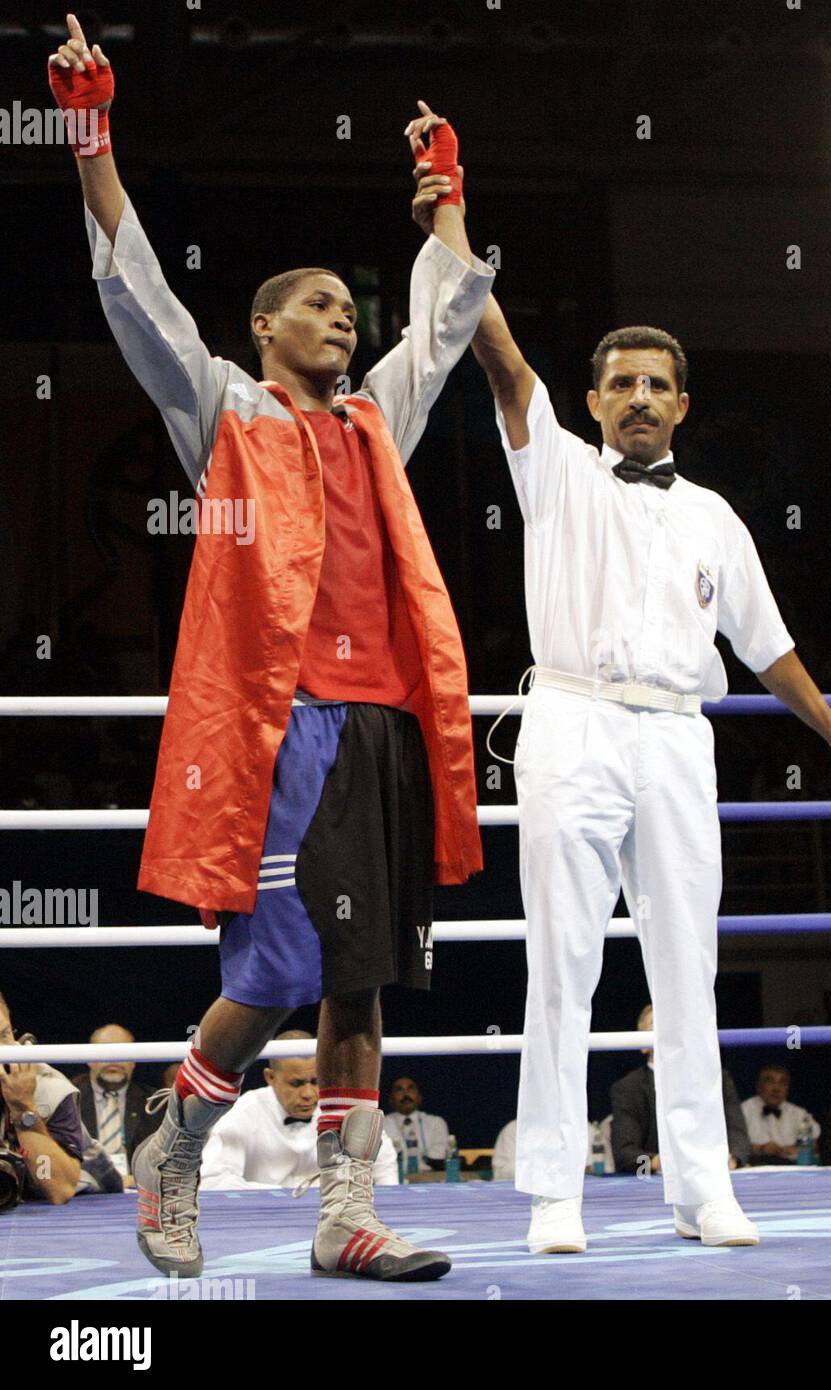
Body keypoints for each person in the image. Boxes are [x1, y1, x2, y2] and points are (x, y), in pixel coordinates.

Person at [51, 15, 494, 1280]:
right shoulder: (223, 414)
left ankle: (342, 1216)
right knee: (281, 970)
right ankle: (173, 1147)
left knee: (361, 985)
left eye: (349, 307)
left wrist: (445, 199)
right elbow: (131, 290)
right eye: (315, 305)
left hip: (385, 722)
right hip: (284, 722)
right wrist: (89, 129)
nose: (342, 320)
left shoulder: (371, 424)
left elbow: (444, 322)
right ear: (260, 329)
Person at [470, 228, 831, 1254]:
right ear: (597, 398)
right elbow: (503, 363)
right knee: (560, 963)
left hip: (673, 736)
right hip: (570, 720)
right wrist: (454, 230)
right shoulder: (556, 470)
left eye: (658, 384)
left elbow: (768, 649)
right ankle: (555, 1194)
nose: (641, 397)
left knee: (685, 966)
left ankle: (703, 1186)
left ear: (682, 404)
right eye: (622, 384)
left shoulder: (713, 517)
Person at [201, 1032, 397, 1189]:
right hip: (265, 1220)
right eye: (297, 1083)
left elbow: (383, 1159)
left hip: (331, 1218)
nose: (308, 1094)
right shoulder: (243, 1113)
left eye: (315, 1081)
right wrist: (279, 1198)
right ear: (270, 1077)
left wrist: (390, 1206)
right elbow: (214, 1180)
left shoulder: (340, 1106)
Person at [609, 1006, 749, 1177]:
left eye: (672, 1022)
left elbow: (739, 1138)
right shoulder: (628, 1088)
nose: (667, 1029)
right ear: (643, 1046)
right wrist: (661, 1163)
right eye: (656, 1023)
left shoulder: (716, 1078)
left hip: (713, 1176)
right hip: (653, 1187)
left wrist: (732, 1161)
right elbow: (624, 1158)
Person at [0, 988, 83, 1205]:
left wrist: (23, 1111)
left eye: (4, 1035)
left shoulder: (50, 1087)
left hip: (86, 1174)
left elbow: (58, 1187)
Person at [72, 1024, 162, 1182]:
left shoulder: (156, 1103)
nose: (114, 1060)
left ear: (134, 1061)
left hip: (138, 1189)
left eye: (122, 1052)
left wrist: (137, 1179)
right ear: (89, 1059)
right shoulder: (69, 1099)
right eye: (106, 1052)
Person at [742, 1065, 820, 1165]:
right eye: (770, 1081)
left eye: (782, 1083)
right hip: (754, 1167)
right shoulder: (744, 1110)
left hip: (791, 1169)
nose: (776, 1088)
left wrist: (796, 1149)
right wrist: (760, 1148)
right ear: (759, 1086)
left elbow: (813, 1143)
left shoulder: (799, 1114)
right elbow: (733, 1145)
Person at [382, 1076, 450, 1176]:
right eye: (399, 1090)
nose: (405, 1094)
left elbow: (439, 1155)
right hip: (392, 1178)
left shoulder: (436, 1122)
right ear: (391, 1099)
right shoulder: (381, 1124)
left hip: (429, 1179)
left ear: (419, 1097)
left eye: (410, 1088)